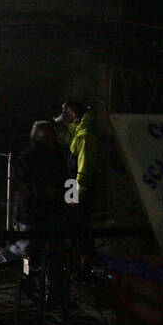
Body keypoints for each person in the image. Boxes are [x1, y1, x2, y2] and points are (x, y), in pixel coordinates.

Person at [0, 120, 68, 270]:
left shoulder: (60, 156)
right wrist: (41, 191)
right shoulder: (28, 158)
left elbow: (69, 179)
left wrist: (71, 202)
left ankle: (48, 286)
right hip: (31, 211)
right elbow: (20, 183)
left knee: (54, 250)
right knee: (27, 247)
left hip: (52, 210)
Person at [57, 99, 100, 262]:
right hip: (71, 184)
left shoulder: (85, 137)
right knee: (72, 223)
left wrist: (77, 193)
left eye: (65, 111)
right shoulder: (79, 133)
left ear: (73, 113)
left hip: (76, 186)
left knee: (80, 224)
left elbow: (84, 168)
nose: (62, 115)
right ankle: (77, 259)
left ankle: (85, 262)